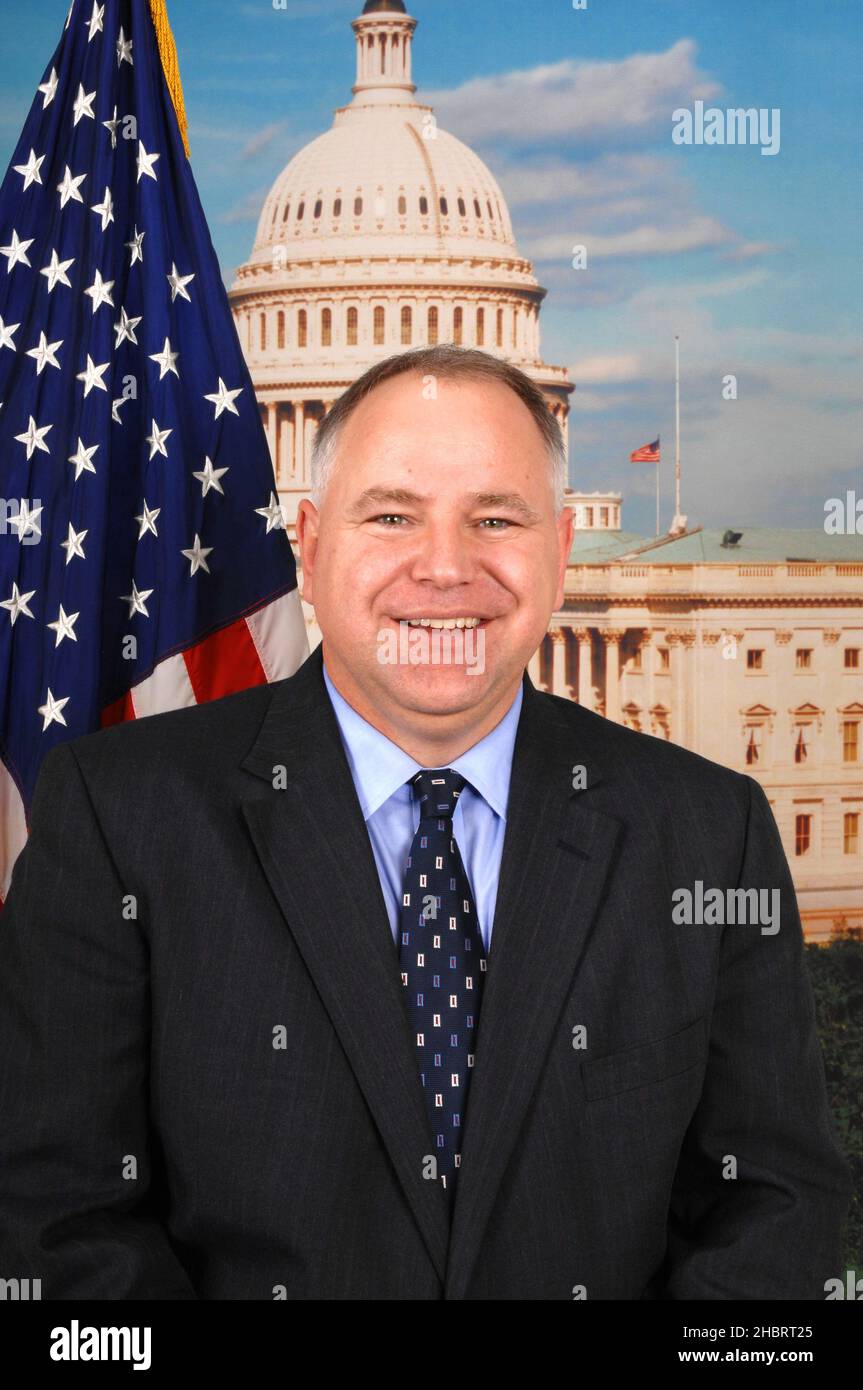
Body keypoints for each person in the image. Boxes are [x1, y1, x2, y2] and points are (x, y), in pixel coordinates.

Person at [0, 345, 851, 1299]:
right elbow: (59, 1219)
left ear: (563, 550)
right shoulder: (121, 815)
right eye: (393, 515)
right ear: (310, 548)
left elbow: (775, 1213)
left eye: (494, 518)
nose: (445, 569)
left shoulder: (706, 832)